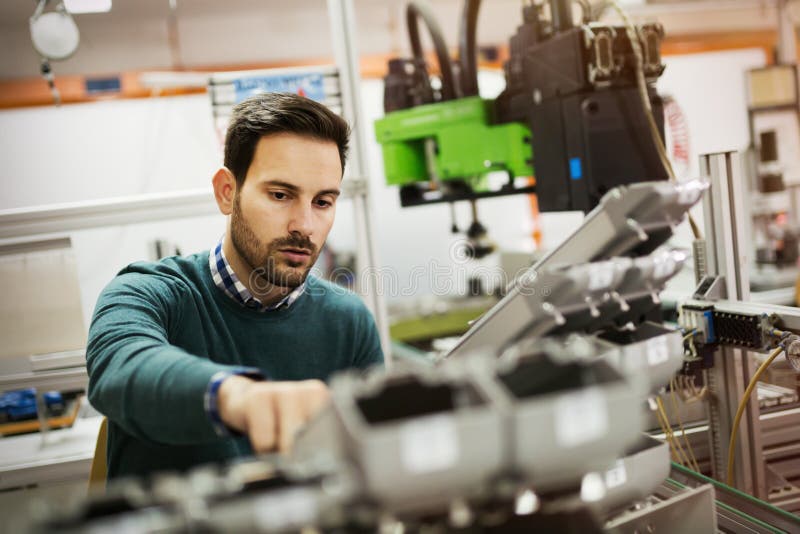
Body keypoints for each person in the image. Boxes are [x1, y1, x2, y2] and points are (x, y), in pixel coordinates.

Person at [86, 92, 384, 480]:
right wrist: (235, 395)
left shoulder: (349, 323)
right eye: (280, 195)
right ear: (227, 192)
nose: (305, 225)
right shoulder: (147, 293)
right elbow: (120, 367)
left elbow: (377, 462)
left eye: (323, 202)